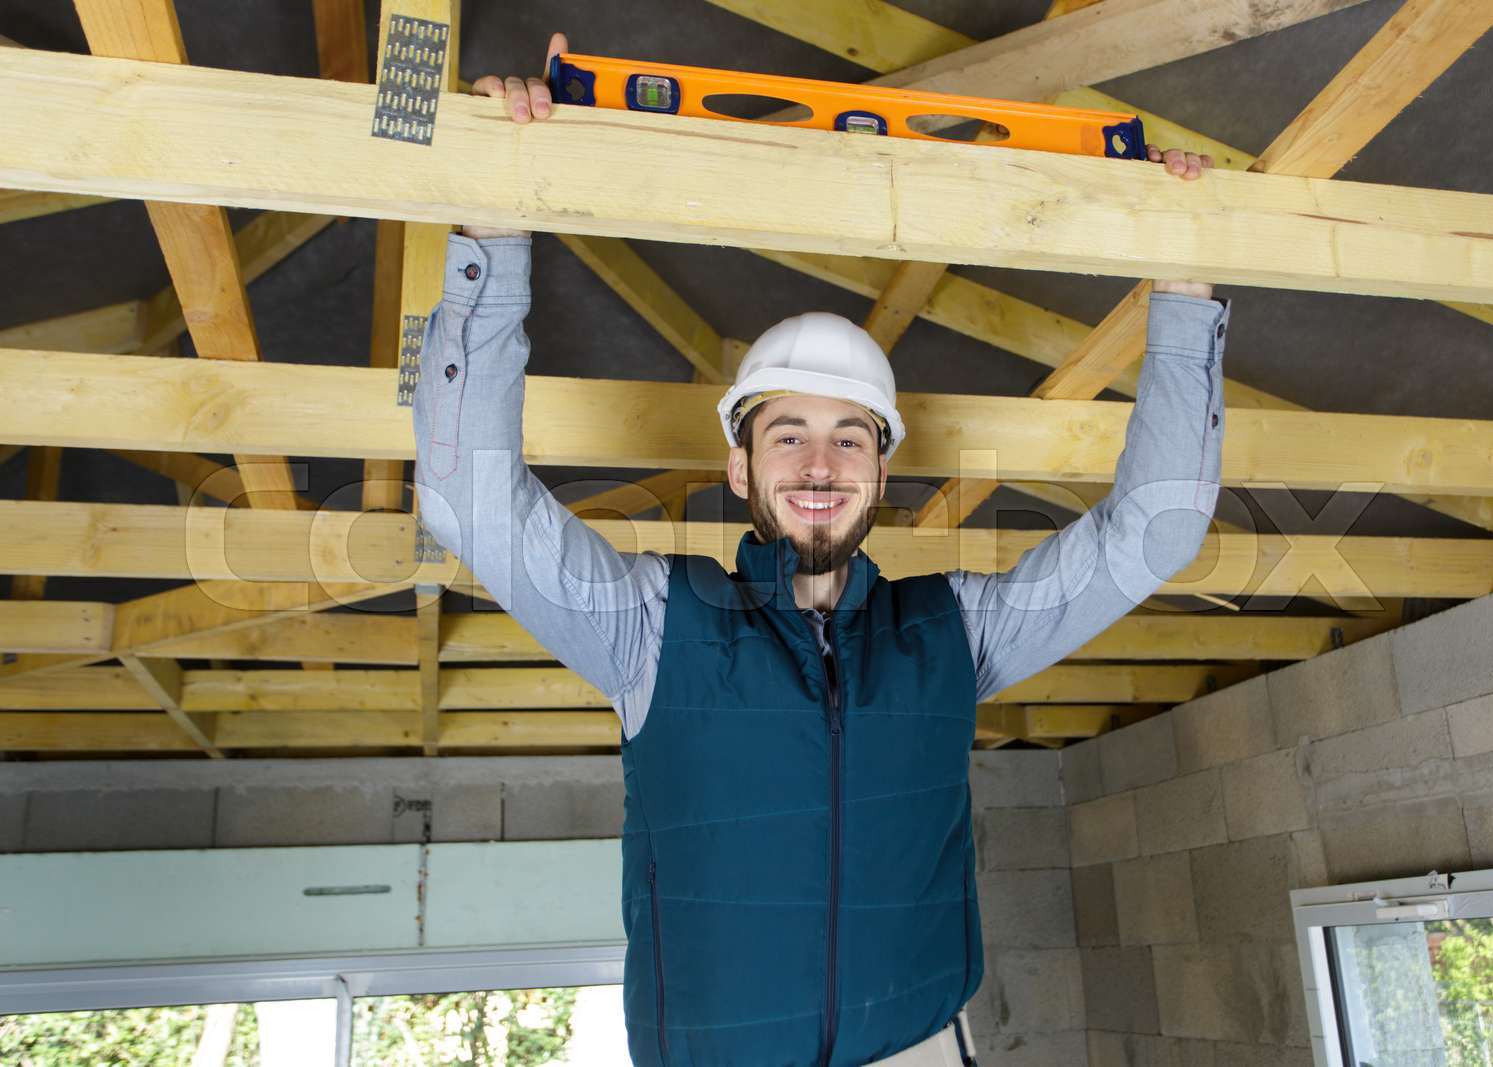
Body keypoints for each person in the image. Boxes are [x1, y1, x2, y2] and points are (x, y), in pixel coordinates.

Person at [413, 32, 1225, 1067]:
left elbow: (1152, 533)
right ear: (741, 469)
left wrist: (1187, 286)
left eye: (851, 437)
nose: (819, 462)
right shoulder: (650, 627)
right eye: (785, 432)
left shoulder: (953, 633)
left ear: (882, 475)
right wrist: (494, 223)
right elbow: (466, 498)